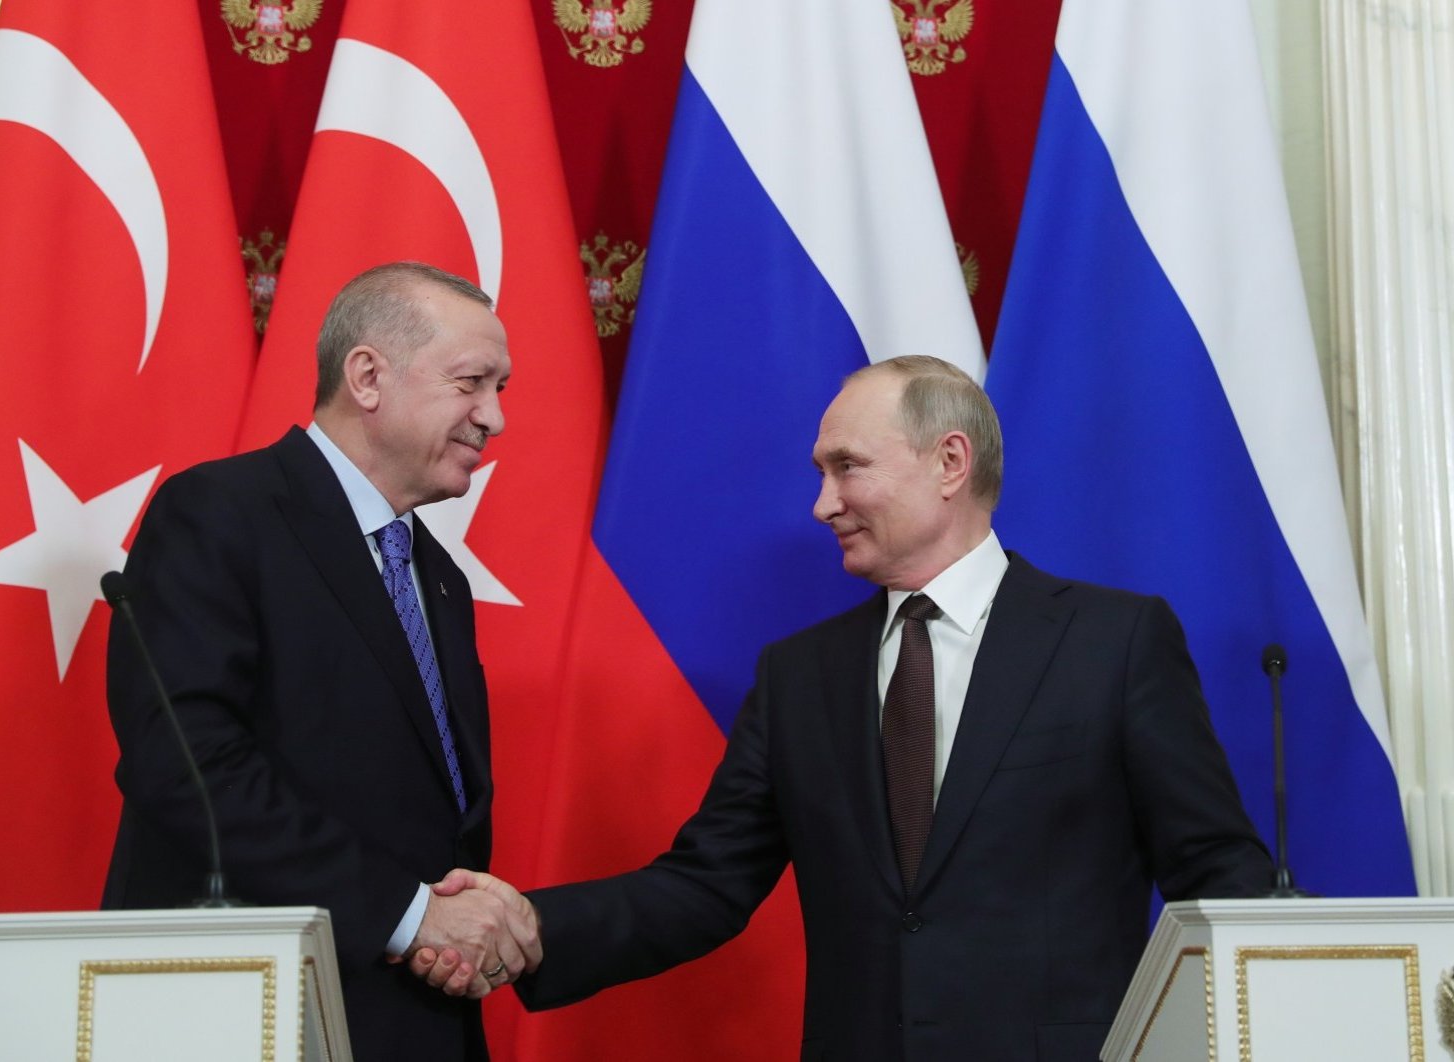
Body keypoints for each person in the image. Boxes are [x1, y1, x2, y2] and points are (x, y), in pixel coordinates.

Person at [416, 355, 1272, 1060]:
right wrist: (531, 923)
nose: (822, 504)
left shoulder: (1111, 641)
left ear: (949, 463)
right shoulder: (802, 677)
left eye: (846, 468)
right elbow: (707, 885)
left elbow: (1216, 874)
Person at [102, 262, 540, 1060]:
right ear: (367, 377)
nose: (496, 418)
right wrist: (406, 915)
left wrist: (449, 925)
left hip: (411, 1017)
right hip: (245, 1007)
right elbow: (187, 764)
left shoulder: (435, 575)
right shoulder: (220, 514)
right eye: (474, 382)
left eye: (501, 389)